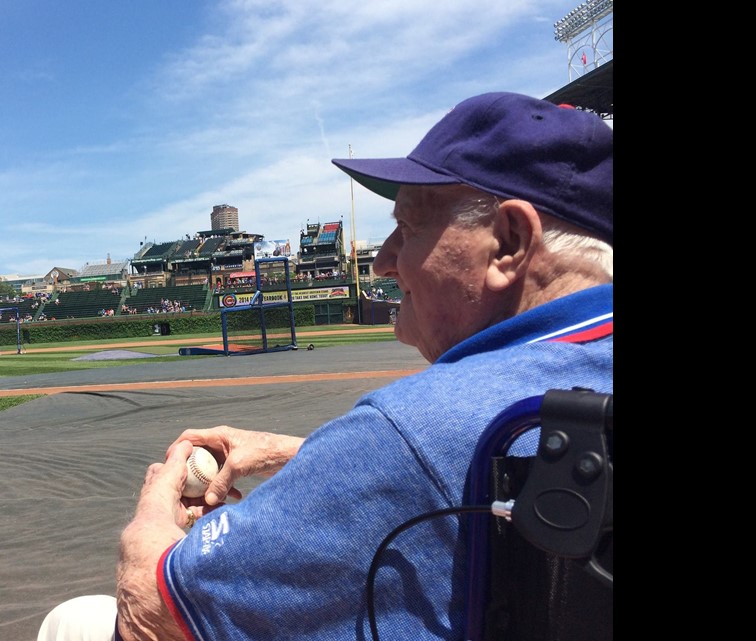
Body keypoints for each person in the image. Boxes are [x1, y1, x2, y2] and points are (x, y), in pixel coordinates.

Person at [38, 91, 613, 641]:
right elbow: (477, 477)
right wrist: (306, 454)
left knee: (76, 620)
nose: (385, 259)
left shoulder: (411, 428)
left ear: (509, 242)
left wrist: (151, 514)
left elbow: (158, 611)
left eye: (409, 227)